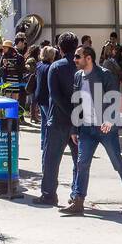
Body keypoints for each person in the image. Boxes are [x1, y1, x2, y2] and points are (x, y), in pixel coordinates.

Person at [63, 45, 122, 216]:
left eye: (78, 56)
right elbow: (76, 103)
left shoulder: (105, 75)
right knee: (82, 164)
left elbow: (115, 98)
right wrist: (74, 128)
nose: (74, 59)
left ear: (88, 58)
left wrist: (110, 120)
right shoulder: (77, 76)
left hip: (105, 128)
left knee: (117, 163)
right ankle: (78, 202)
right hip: (86, 128)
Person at [34, 33, 80, 206]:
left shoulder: (56, 67)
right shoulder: (82, 68)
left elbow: (55, 95)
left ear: (59, 48)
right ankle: (76, 194)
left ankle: (49, 194)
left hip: (58, 120)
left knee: (51, 160)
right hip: (78, 121)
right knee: (79, 161)